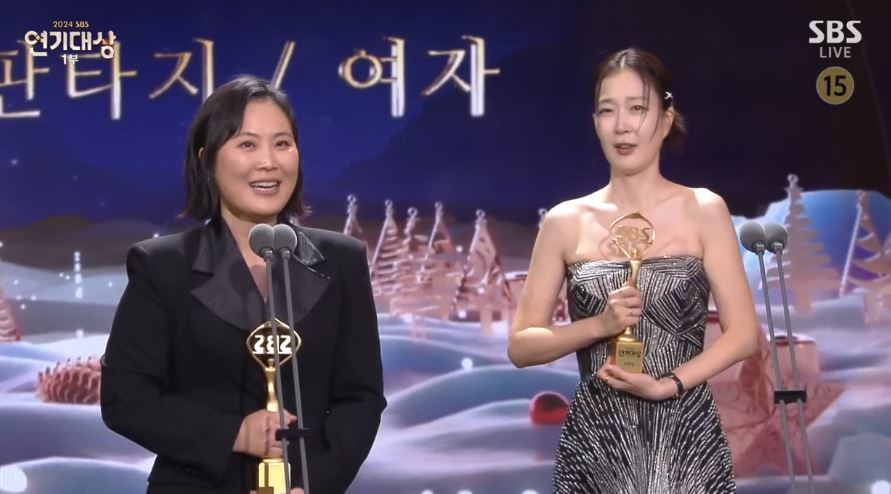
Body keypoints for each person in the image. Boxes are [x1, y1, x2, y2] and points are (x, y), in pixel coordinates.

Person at [100, 75, 386, 494]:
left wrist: (313, 484)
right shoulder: (162, 267)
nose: (268, 161)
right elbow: (125, 399)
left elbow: (361, 397)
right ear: (207, 160)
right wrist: (235, 433)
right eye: (247, 145)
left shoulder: (342, 260)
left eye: (282, 143)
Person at [508, 48, 759, 493]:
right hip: (598, 444)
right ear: (595, 123)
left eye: (637, 108)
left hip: (685, 438)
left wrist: (669, 385)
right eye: (608, 110)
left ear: (665, 118)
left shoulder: (703, 209)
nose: (622, 125)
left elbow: (743, 335)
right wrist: (598, 326)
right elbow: (521, 346)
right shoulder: (566, 221)